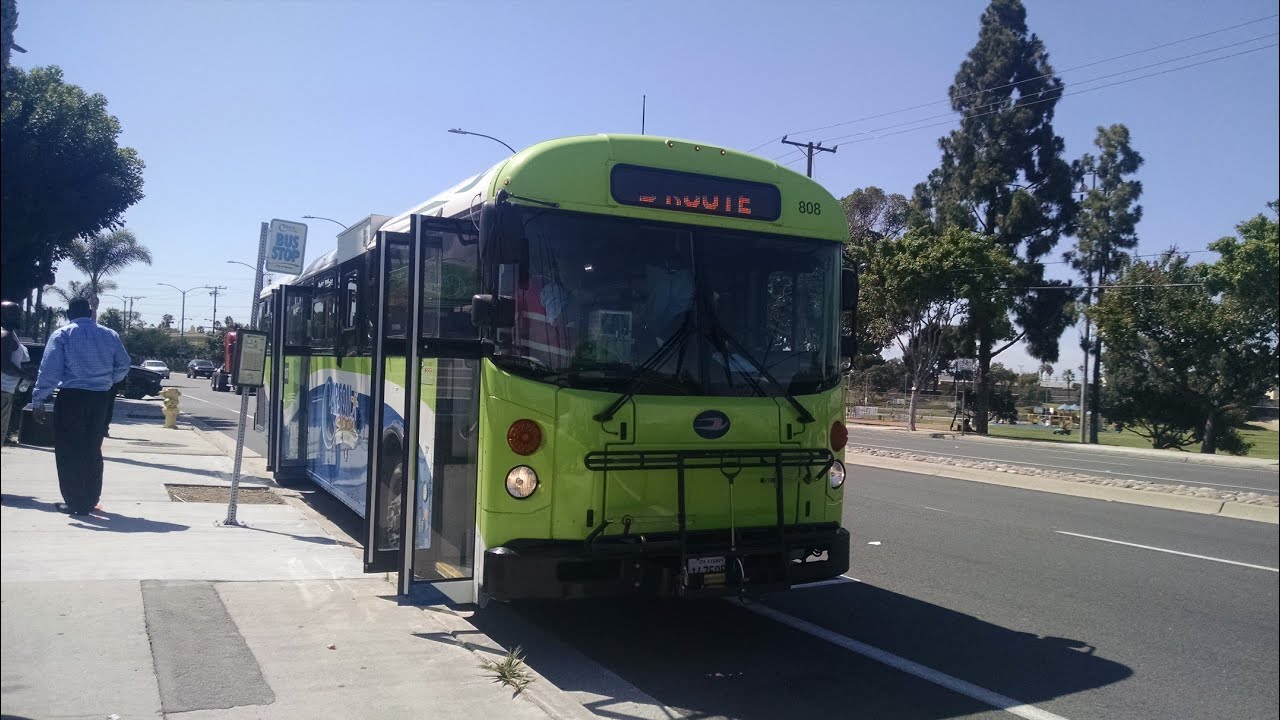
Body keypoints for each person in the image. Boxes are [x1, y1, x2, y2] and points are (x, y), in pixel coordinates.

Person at [32, 298, 131, 516]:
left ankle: (76, 502)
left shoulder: (63, 334)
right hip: (100, 399)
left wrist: (39, 400)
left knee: (69, 450)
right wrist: (109, 380)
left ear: (69, 313)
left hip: (72, 397)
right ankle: (91, 498)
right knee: (92, 448)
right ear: (90, 312)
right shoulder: (109, 335)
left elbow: (49, 370)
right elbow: (124, 363)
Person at [1, 301, 31, 449]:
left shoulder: (10, 334)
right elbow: (5, 366)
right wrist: (27, 375)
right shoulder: (4, 335)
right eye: (13, 313)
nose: (19, 316)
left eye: (19, 313)